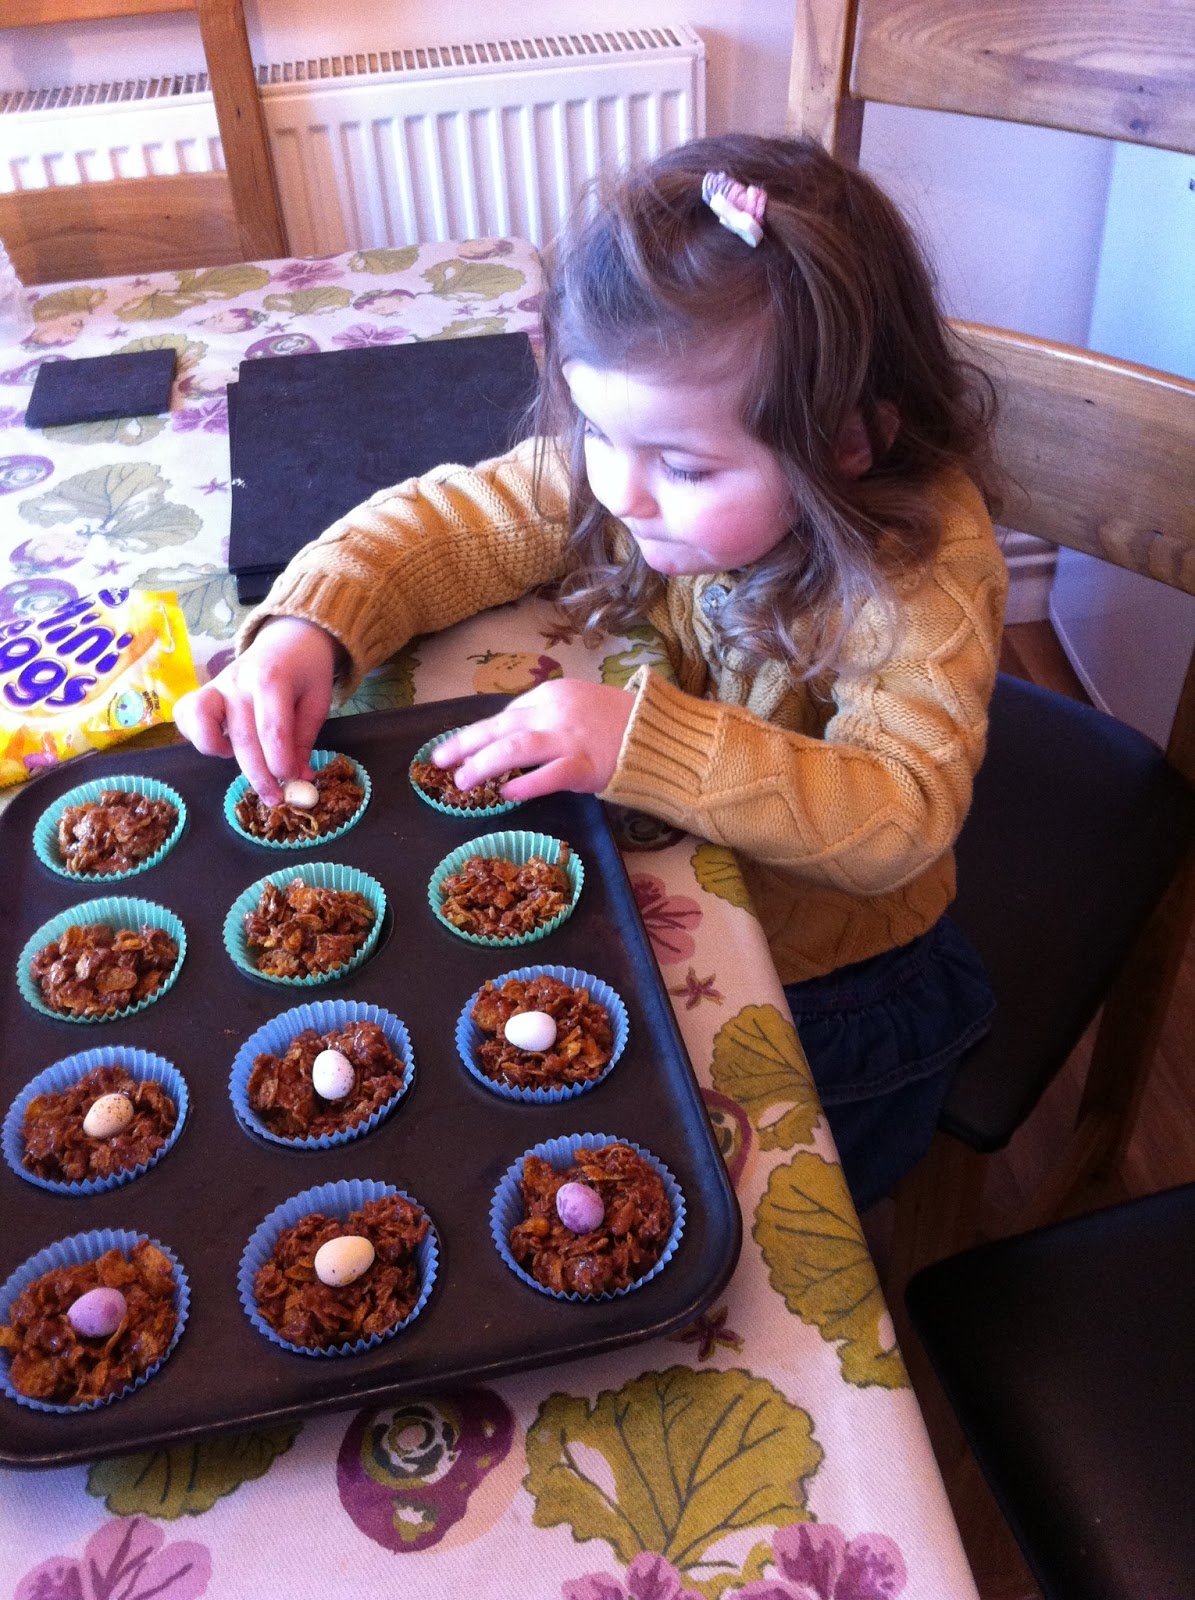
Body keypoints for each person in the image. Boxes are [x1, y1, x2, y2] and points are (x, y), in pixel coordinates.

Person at [175, 134, 1007, 1212]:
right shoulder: (634, 452)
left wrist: (634, 741)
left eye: (685, 466)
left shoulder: (918, 569)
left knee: (708, 1207)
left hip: (843, 985)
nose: (622, 490)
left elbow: (899, 817)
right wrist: (311, 628)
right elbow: (454, 520)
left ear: (848, 441)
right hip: (689, 888)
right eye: (598, 433)